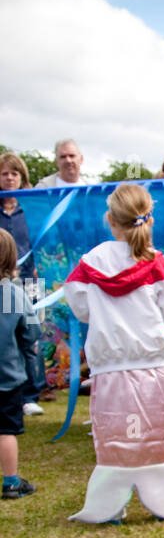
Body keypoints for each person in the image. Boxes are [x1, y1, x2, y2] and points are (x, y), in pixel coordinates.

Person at [63, 184, 164, 523]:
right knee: (152, 436)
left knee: (116, 437)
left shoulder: (90, 263)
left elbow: (79, 306)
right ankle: (163, 500)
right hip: (152, 367)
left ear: (110, 220)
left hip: (111, 368)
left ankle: (112, 505)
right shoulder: (156, 262)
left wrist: (104, 314)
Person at [0, 152, 47, 413]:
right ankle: (11, 389)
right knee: (7, 336)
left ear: (22, 178)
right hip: (3, 284)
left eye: (14, 173)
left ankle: (31, 393)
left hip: (31, 279)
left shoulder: (31, 209)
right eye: (5, 173)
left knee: (32, 334)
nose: (9, 178)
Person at [0, 228, 39, 500]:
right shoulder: (14, 295)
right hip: (7, 377)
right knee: (6, 432)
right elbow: (31, 333)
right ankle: (11, 482)